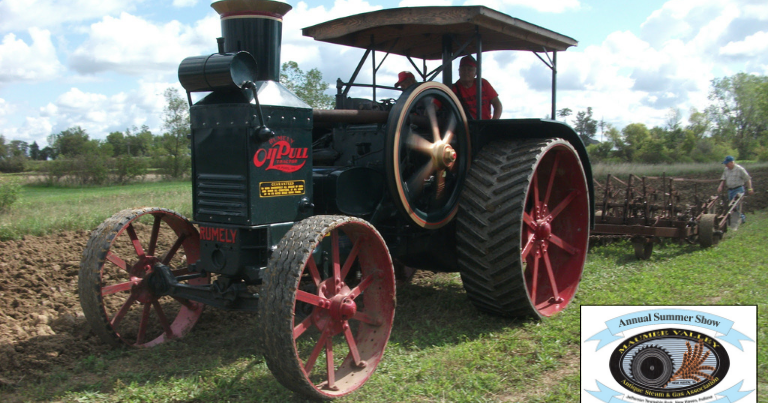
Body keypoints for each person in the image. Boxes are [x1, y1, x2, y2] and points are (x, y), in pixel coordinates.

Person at [451, 55, 502, 120]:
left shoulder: (483, 83)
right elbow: (436, 106)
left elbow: (497, 104)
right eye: (463, 69)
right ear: (459, 71)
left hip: (485, 125)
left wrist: (493, 123)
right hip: (465, 127)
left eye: (469, 69)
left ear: (476, 72)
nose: (466, 72)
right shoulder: (453, 88)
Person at [716, 155, 754, 224]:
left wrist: (750, 188)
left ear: (731, 162)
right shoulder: (726, 170)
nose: (726, 165)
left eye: (727, 164)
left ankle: (742, 219)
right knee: (731, 206)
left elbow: (748, 179)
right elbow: (723, 179)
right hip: (730, 190)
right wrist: (720, 186)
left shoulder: (740, 169)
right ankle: (736, 219)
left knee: (735, 206)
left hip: (738, 189)